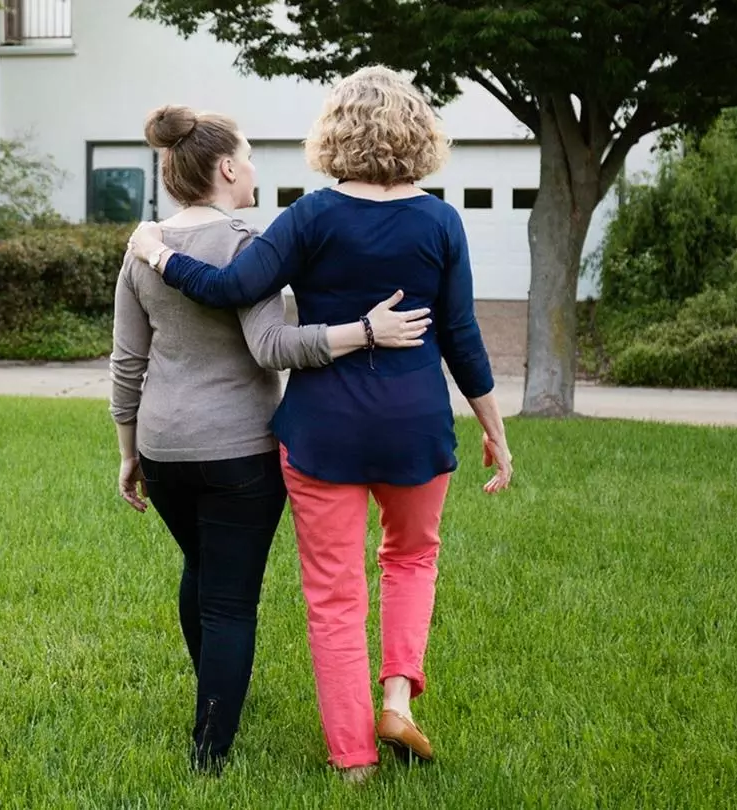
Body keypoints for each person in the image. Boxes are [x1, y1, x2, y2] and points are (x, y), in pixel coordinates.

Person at [126, 66, 514, 783]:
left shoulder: (308, 216)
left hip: (320, 431)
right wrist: (494, 427)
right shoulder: (440, 221)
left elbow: (233, 289)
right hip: (414, 425)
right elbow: (462, 336)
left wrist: (159, 252)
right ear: (418, 133)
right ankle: (396, 696)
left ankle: (353, 760)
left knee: (333, 595)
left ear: (334, 131)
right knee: (410, 559)